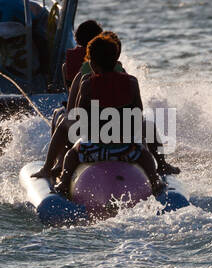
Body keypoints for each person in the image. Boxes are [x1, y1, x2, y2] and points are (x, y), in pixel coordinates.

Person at [55, 32, 165, 197]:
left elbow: (80, 118)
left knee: (71, 155)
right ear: (116, 60)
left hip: (94, 149)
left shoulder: (87, 84)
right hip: (125, 150)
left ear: (92, 62)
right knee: (144, 155)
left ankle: (64, 182)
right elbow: (137, 115)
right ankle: (155, 179)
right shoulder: (132, 82)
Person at [61, 19, 101, 86]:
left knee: (64, 66)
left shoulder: (72, 53)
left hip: (72, 85)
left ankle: (67, 90)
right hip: (89, 85)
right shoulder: (96, 53)